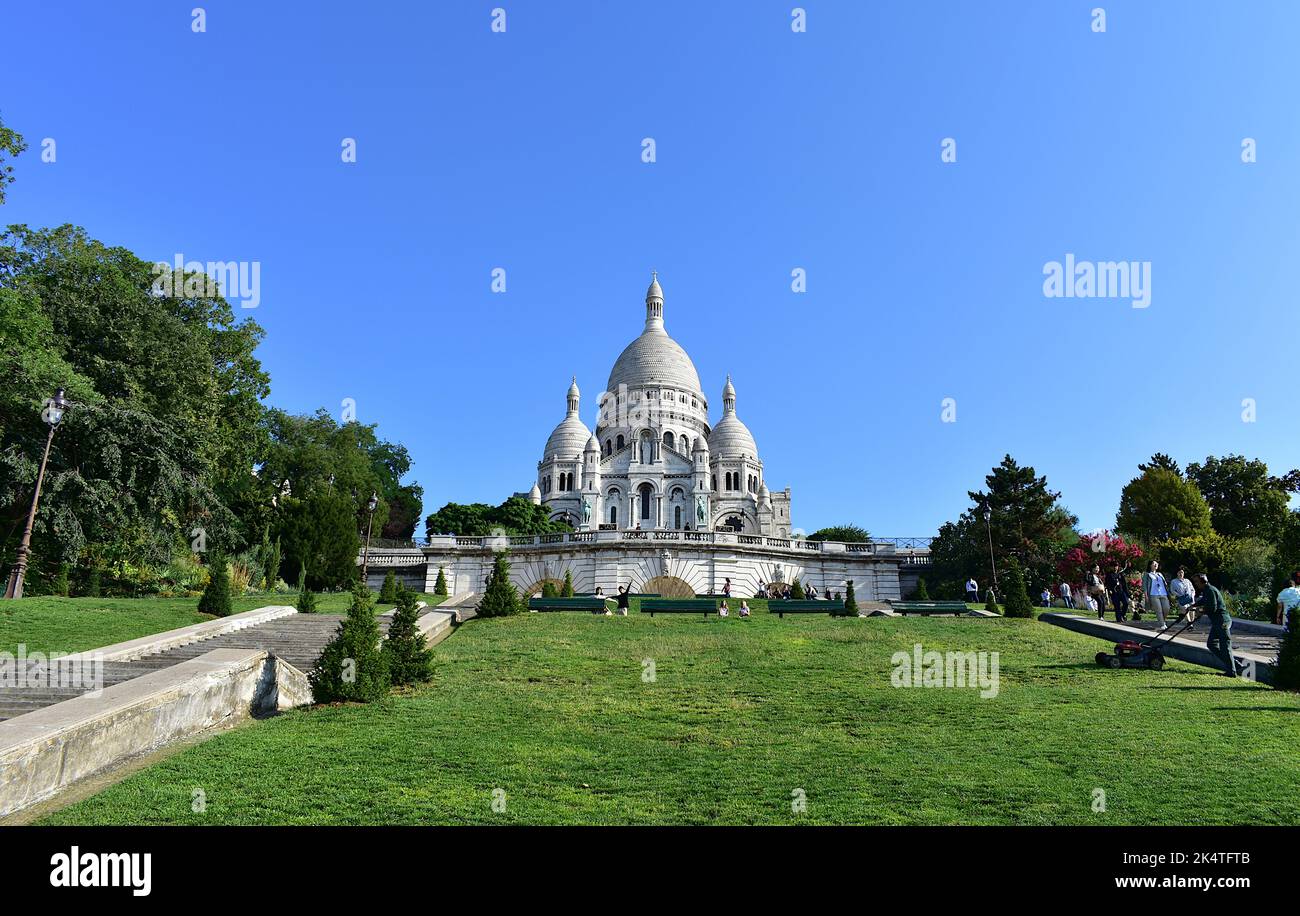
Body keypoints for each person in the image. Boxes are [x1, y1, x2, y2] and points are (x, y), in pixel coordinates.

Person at [1191, 574, 1236, 677]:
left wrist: (1200, 610)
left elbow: (1212, 608)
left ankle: (1232, 671)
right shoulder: (1207, 590)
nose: (1196, 584)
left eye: (1197, 582)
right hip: (1217, 623)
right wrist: (1193, 606)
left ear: (1203, 581)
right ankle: (1234, 664)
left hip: (1222, 622)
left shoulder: (1211, 590)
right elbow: (1203, 601)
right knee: (1211, 644)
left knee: (1225, 647)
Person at [1142, 560, 1171, 630]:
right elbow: (1144, 586)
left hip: (1163, 593)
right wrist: (1146, 596)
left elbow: (1165, 584)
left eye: (1156, 564)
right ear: (1150, 565)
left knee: (1166, 608)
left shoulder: (1160, 574)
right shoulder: (1147, 574)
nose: (1156, 565)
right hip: (1153, 594)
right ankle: (1162, 624)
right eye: (1154, 564)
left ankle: (1161, 621)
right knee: (1159, 610)